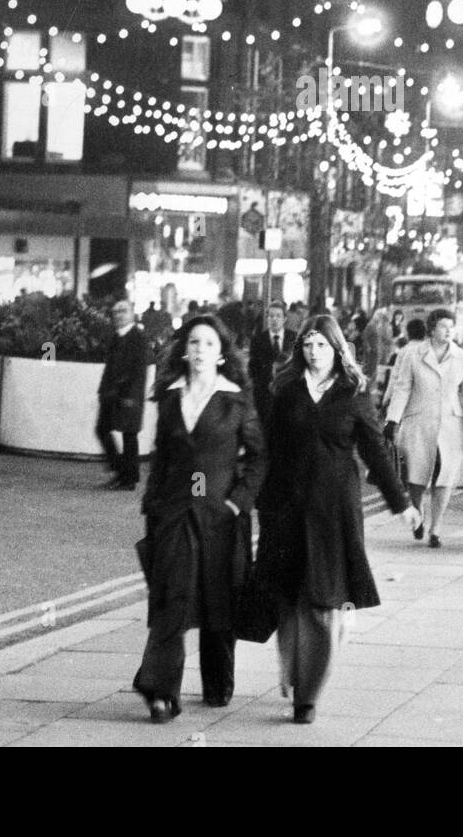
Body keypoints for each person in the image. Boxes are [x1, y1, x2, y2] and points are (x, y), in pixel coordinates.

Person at [254, 314, 421, 723]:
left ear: (337, 349)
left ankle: (307, 697)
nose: (314, 352)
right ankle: (294, 671)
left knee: (322, 603)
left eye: (321, 345)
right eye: (307, 345)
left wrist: (401, 503)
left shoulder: (353, 394)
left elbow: (376, 454)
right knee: (288, 600)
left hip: (333, 513)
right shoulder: (286, 391)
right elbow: (267, 450)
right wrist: (253, 500)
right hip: (286, 509)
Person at [132, 316, 265, 722]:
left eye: (209, 343)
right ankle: (160, 691)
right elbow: (161, 457)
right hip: (175, 511)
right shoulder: (170, 397)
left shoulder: (237, 400)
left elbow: (260, 457)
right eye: (194, 342)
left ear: (221, 354)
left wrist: (238, 502)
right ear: (185, 350)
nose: (200, 350)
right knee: (172, 598)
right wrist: (153, 507)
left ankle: (217, 683)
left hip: (221, 515)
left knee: (219, 600)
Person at [383, 307, 463, 549]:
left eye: (452, 326)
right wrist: (392, 420)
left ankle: (436, 529)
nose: (449, 331)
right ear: (431, 329)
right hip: (419, 421)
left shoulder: (461, 357)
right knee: (416, 478)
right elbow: (403, 388)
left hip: (452, 424)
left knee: (445, 477)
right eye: (443, 326)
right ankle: (417, 515)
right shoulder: (413, 354)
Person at [95, 299, 149, 491]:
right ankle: (121, 471)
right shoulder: (116, 337)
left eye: (123, 311)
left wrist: (128, 394)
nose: (118, 315)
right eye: (116, 312)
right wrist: (103, 390)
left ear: (133, 313)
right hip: (111, 393)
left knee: (129, 435)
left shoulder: (139, 337)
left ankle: (128, 479)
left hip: (129, 395)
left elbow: (138, 370)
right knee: (102, 429)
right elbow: (109, 367)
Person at [247, 300, 295, 428]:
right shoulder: (258, 340)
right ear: (267, 318)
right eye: (271, 316)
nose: (274, 319)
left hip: (288, 393)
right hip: (265, 393)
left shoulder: (293, 338)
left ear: (284, 319)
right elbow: (253, 368)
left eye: (278, 316)